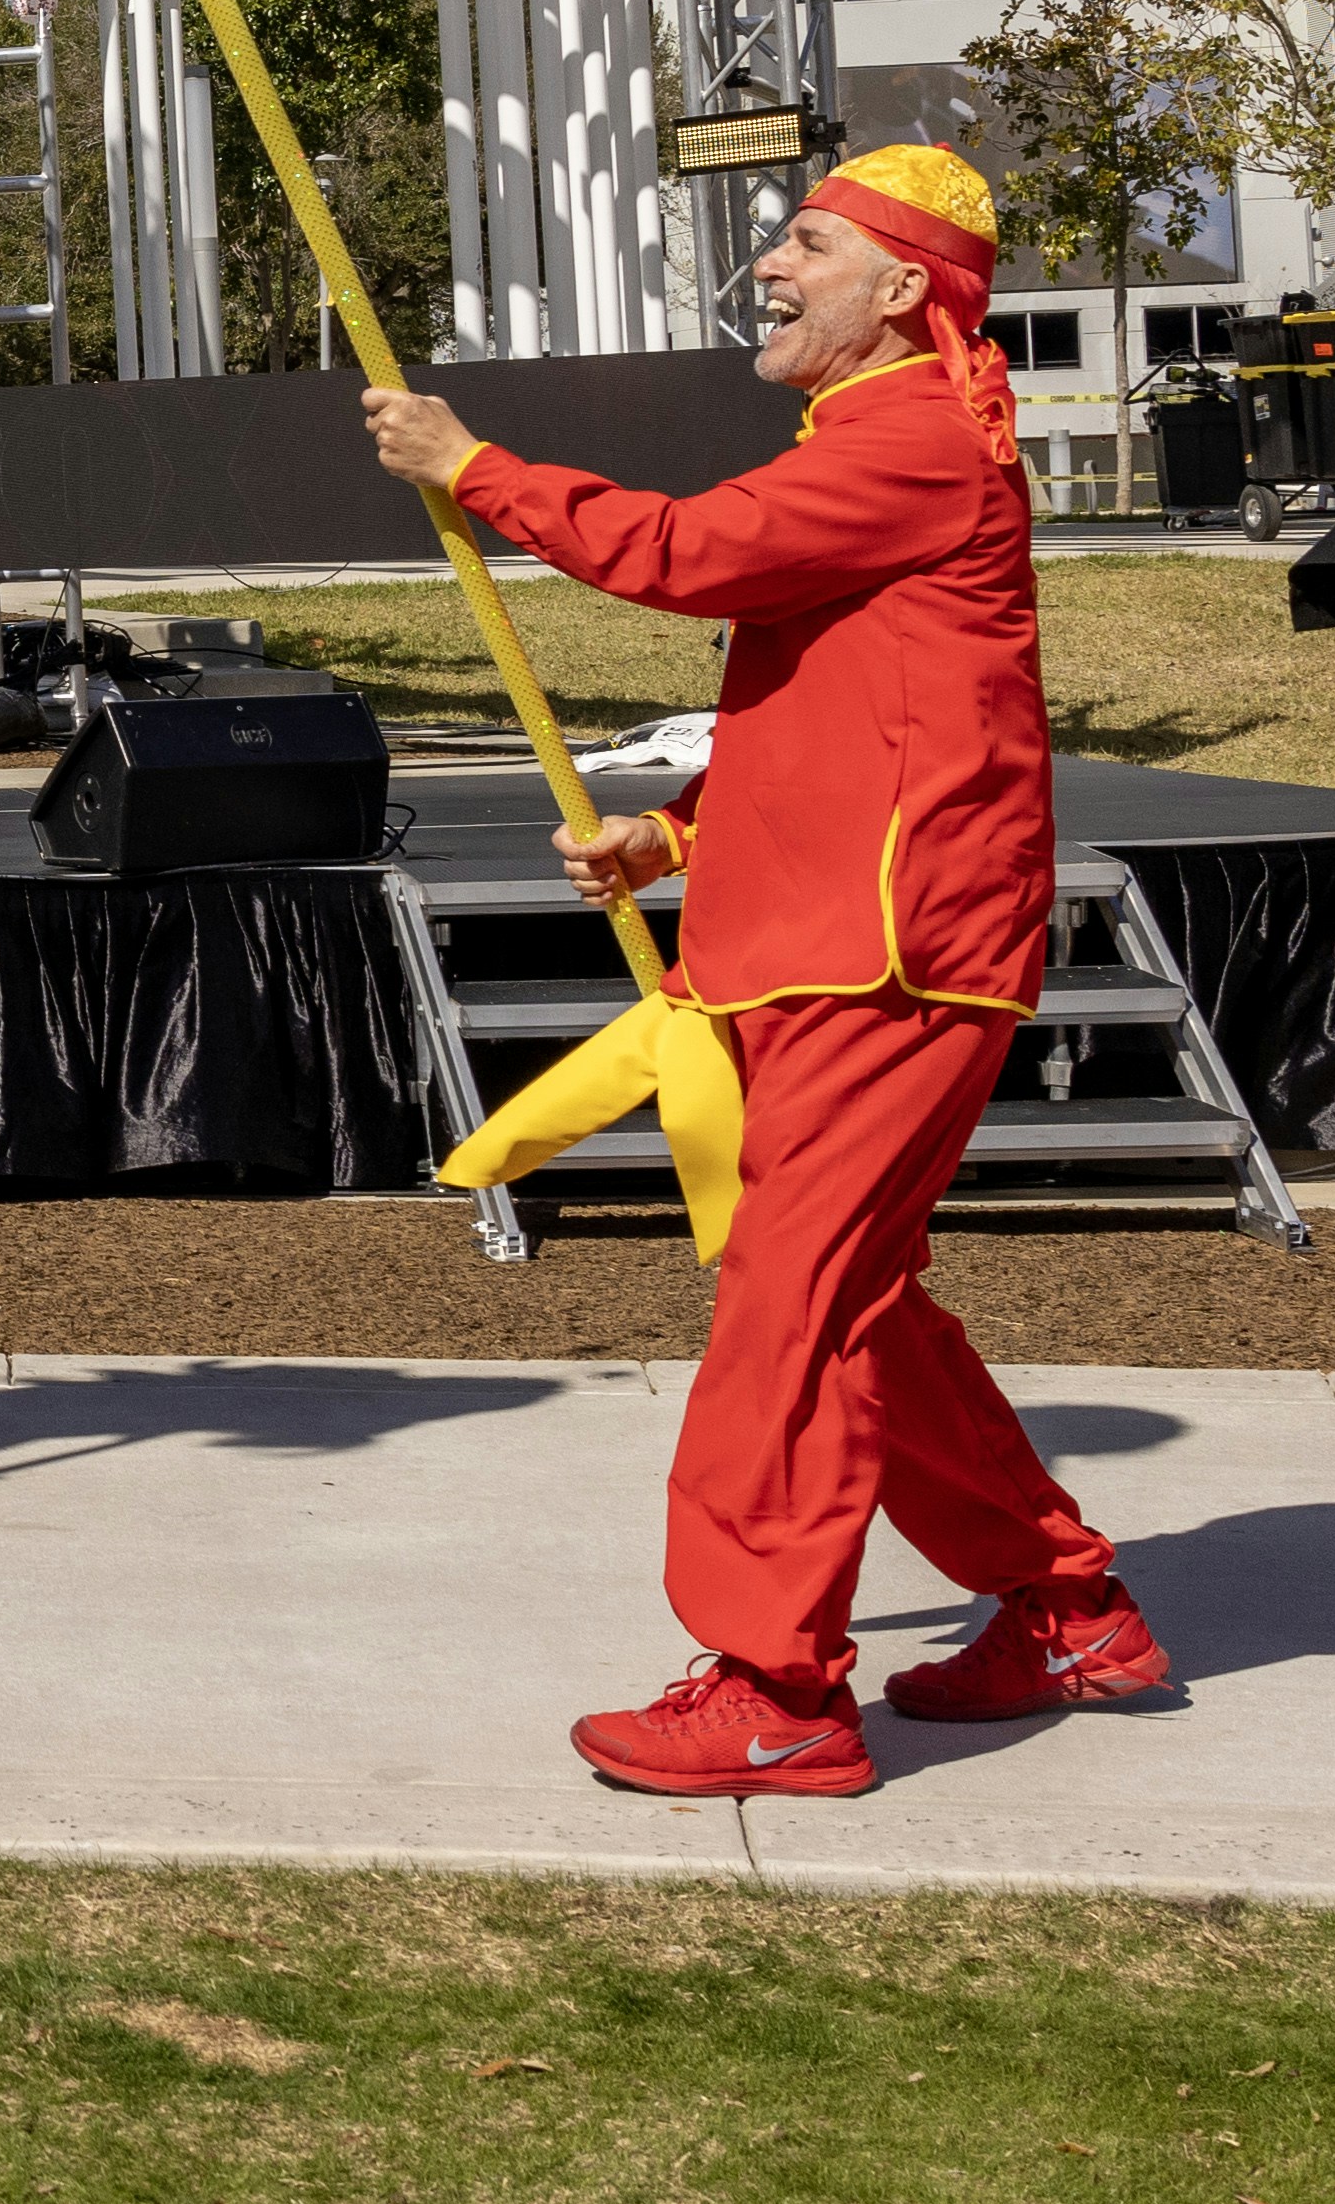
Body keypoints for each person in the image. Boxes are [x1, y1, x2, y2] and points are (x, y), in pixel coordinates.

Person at [357, 144, 1171, 1798]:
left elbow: (681, 557)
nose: (765, 268)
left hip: (893, 960)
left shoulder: (915, 437)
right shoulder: (883, 441)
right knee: (849, 1307)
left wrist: (477, 471)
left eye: (804, 242)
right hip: (834, 948)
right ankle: (1066, 1610)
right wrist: (675, 841)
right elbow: (855, 713)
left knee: (790, 1312)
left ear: (899, 290)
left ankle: (775, 1688)